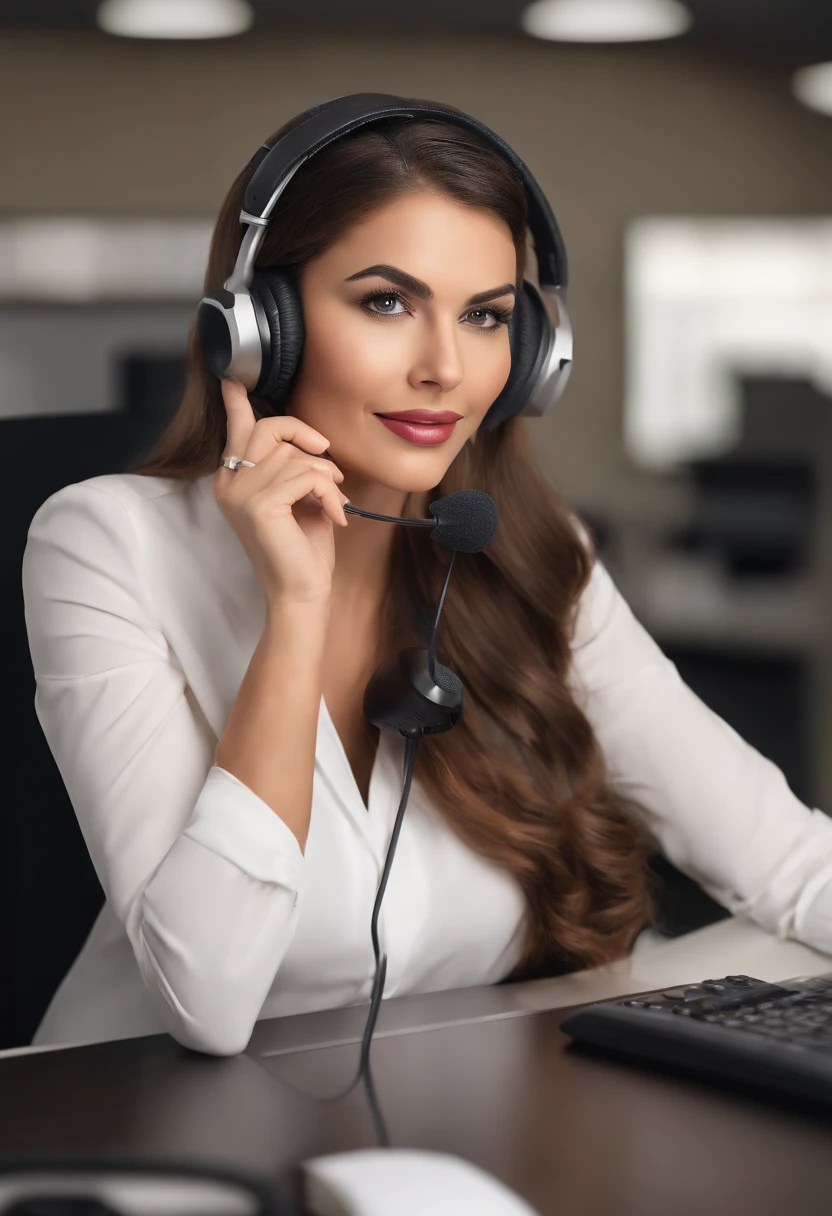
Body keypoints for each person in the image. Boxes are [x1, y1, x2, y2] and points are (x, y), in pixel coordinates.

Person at [22, 99, 832, 1057]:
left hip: (443, 1132)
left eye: (486, 317)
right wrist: (296, 610)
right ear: (256, 329)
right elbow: (209, 998)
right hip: (133, 1135)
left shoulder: (536, 556)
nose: (446, 368)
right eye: (385, 302)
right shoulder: (105, 543)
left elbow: (785, 862)